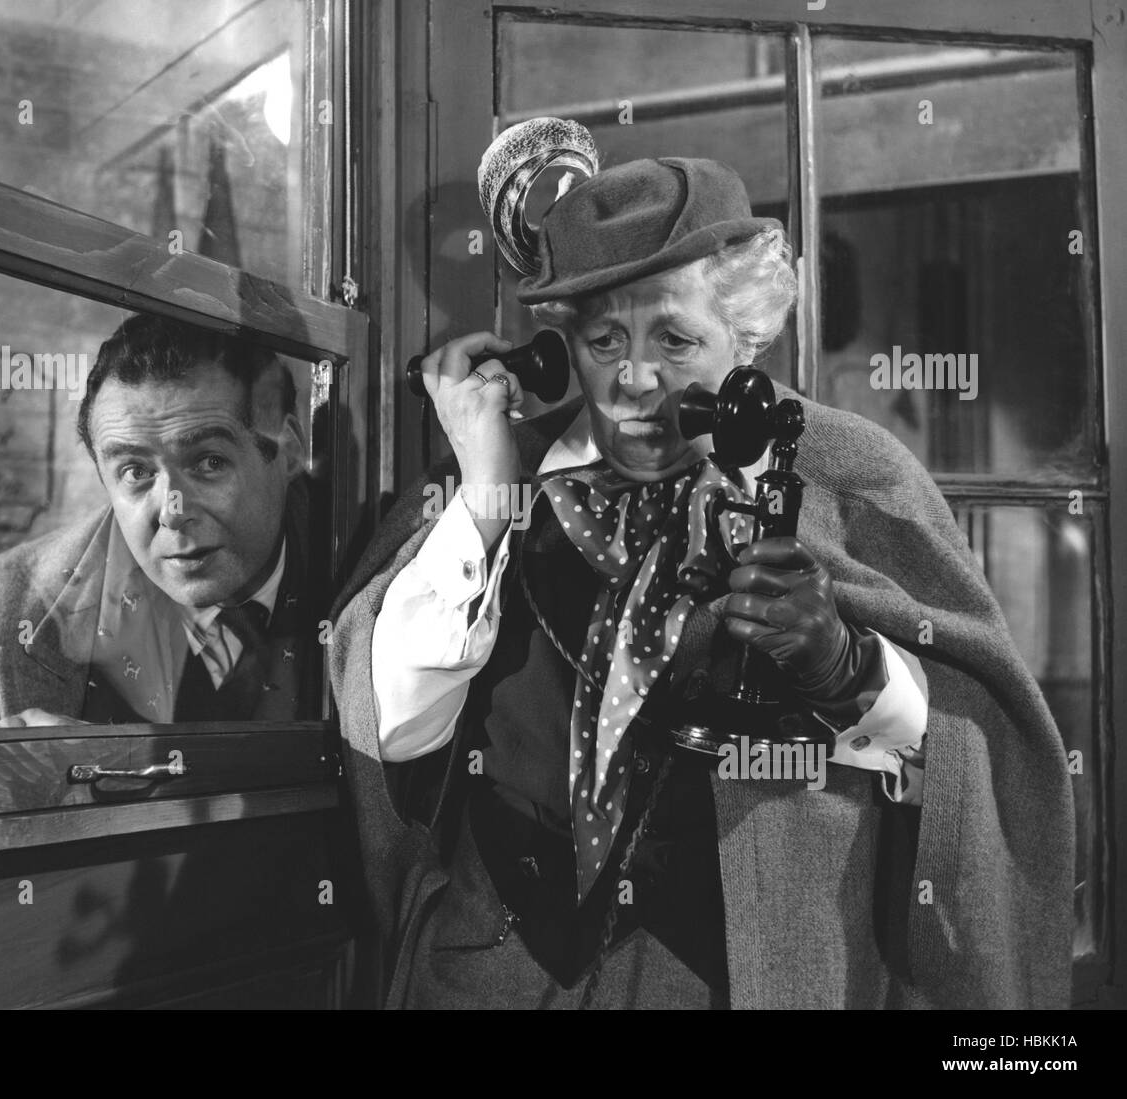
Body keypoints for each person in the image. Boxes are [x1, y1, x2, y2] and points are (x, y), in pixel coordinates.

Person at [329, 157, 1074, 1008]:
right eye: (604, 341)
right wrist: (488, 496)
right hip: (492, 970)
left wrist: (847, 667)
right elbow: (390, 730)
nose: (634, 380)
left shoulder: (847, 472)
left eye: (674, 340)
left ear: (746, 335)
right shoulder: (496, 478)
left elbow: (977, 744)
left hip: (749, 972)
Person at [0, 314, 322, 732]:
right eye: (135, 472)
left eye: (209, 462)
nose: (171, 511)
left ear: (288, 450)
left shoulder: (366, 566)